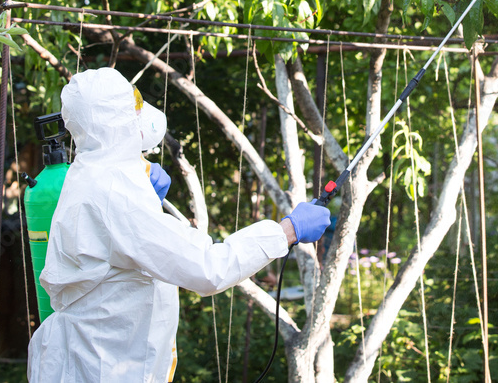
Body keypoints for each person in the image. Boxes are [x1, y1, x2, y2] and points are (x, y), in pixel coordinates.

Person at [27, 67, 330, 382]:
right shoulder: (116, 193)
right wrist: (287, 231)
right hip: (101, 366)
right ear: (119, 122)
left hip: (94, 355)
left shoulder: (88, 171)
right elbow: (207, 268)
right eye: (133, 107)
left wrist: (146, 198)